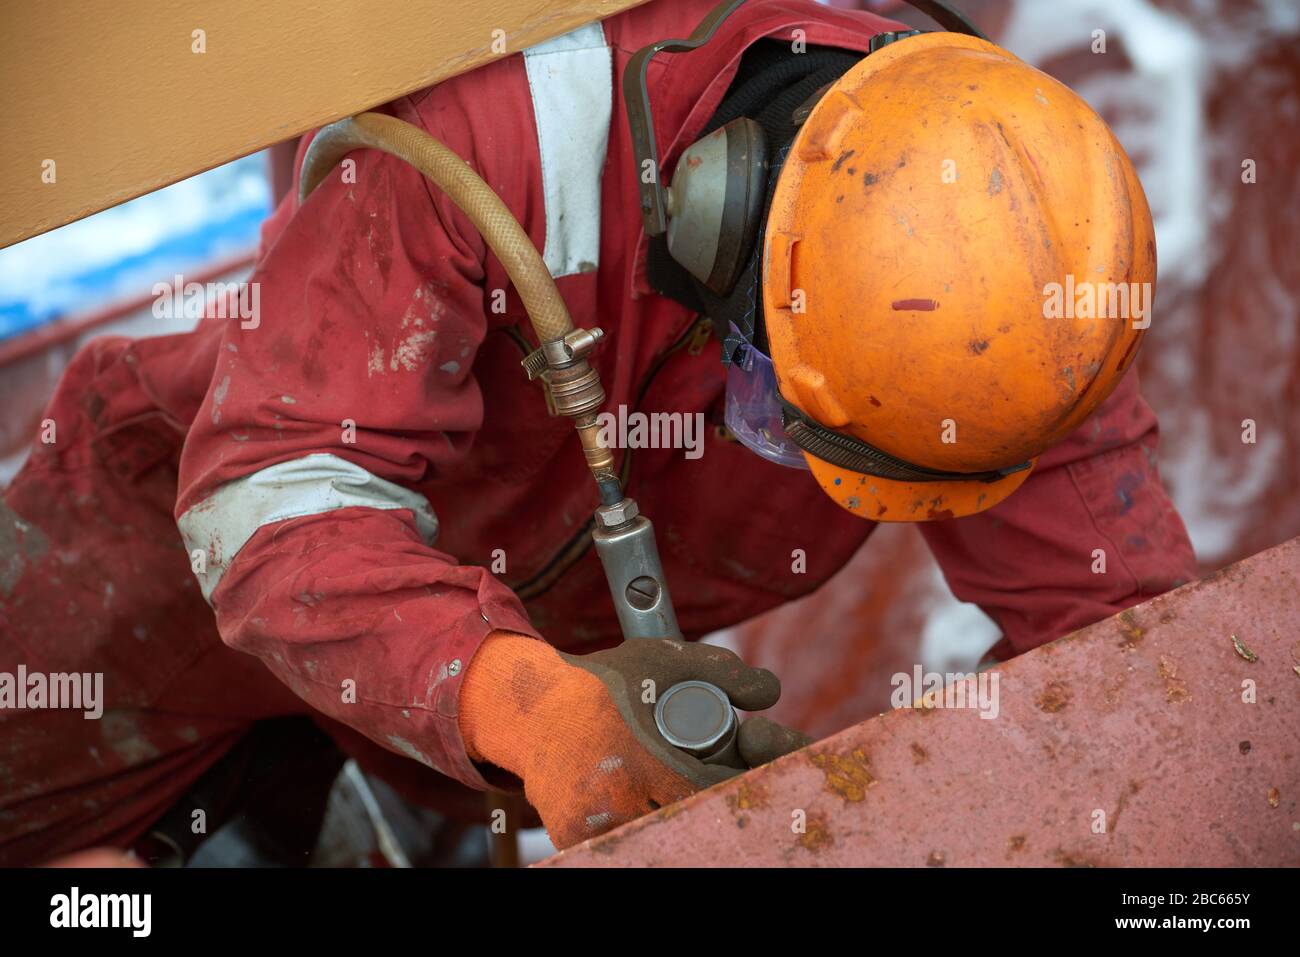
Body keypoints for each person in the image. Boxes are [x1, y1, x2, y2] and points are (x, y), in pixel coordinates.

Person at [0, 0, 1196, 861]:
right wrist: (529, 707)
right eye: (784, 419)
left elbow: (1126, 639)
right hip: (154, 580)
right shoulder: (484, 133)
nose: (776, 450)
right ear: (721, 228)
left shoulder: (1010, 311)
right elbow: (277, 491)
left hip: (503, 694)